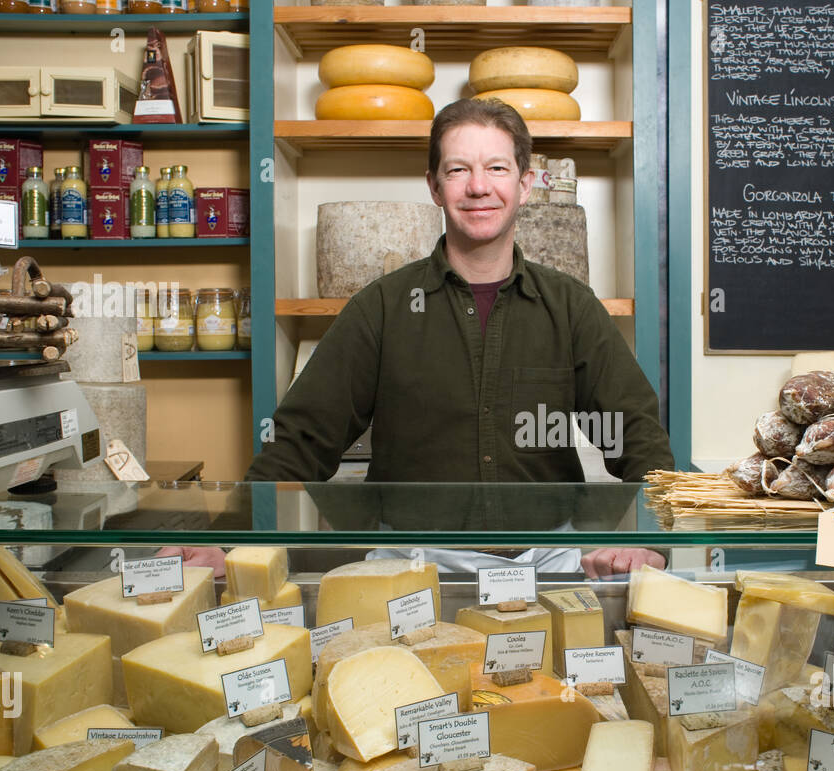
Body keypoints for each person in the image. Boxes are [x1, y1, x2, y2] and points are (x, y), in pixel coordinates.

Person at [242, 98, 674, 577]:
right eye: (458, 170)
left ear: (525, 185)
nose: (478, 187)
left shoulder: (571, 307)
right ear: (434, 186)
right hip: (412, 566)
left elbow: (634, 432)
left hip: (546, 563)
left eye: (496, 168)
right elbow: (301, 440)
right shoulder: (381, 307)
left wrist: (651, 539)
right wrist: (234, 543)